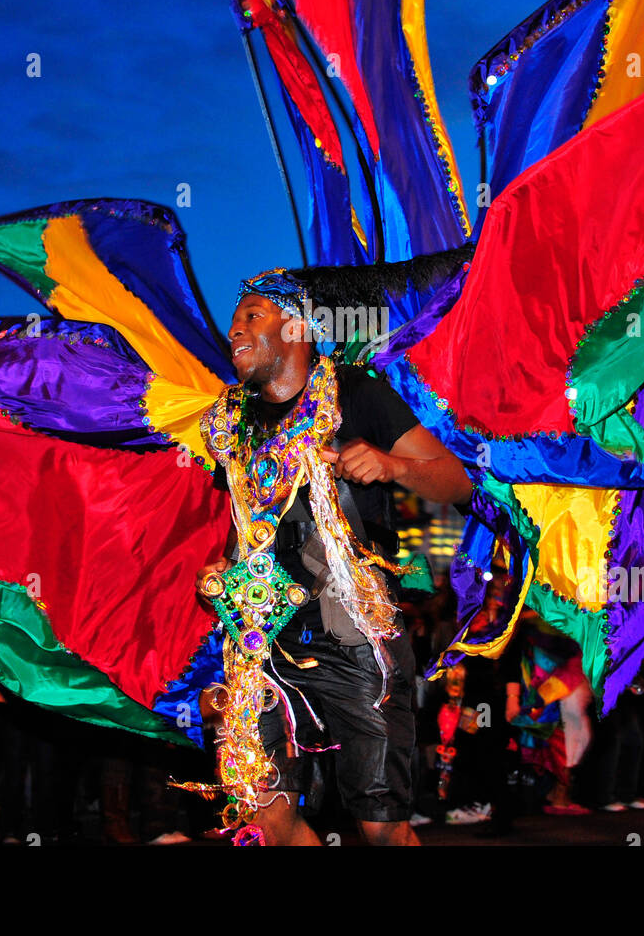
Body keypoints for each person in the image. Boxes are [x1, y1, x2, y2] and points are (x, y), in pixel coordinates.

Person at [194, 268, 472, 846]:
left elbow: (457, 482)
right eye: (235, 318)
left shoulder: (357, 393)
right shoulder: (233, 423)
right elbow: (250, 522)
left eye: (253, 315)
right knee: (266, 813)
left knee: (379, 825)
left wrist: (394, 466)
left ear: (296, 327)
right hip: (260, 638)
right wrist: (224, 570)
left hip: (353, 633)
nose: (235, 330)